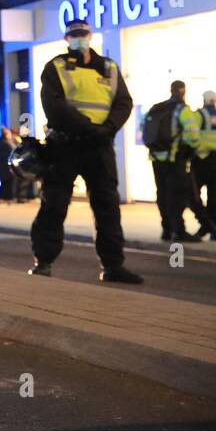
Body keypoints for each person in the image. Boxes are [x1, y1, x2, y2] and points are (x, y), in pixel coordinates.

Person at [29, 19, 141, 283]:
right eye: (74, 34)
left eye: (83, 33)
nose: (80, 37)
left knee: (108, 207)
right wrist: (90, 129)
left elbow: (124, 102)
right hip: (65, 145)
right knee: (54, 204)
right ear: (67, 39)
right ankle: (43, 261)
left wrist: (108, 128)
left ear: (91, 36)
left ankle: (114, 266)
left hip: (100, 146)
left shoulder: (109, 67)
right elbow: (53, 106)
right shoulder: (55, 66)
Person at [149, 79, 210, 242]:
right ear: (183, 91)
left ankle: (166, 229)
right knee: (176, 195)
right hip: (175, 159)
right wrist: (193, 151)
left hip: (156, 159)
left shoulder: (156, 108)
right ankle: (179, 231)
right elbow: (193, 135)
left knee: (162, 194)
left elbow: (145, 131)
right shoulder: (183, 110)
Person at [193, 90, 216, 241]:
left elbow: (191, 135)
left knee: (192, 194)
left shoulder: (200, 115)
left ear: (204, 100)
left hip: (202, 160)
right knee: (215, 197)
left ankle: (206, 224)